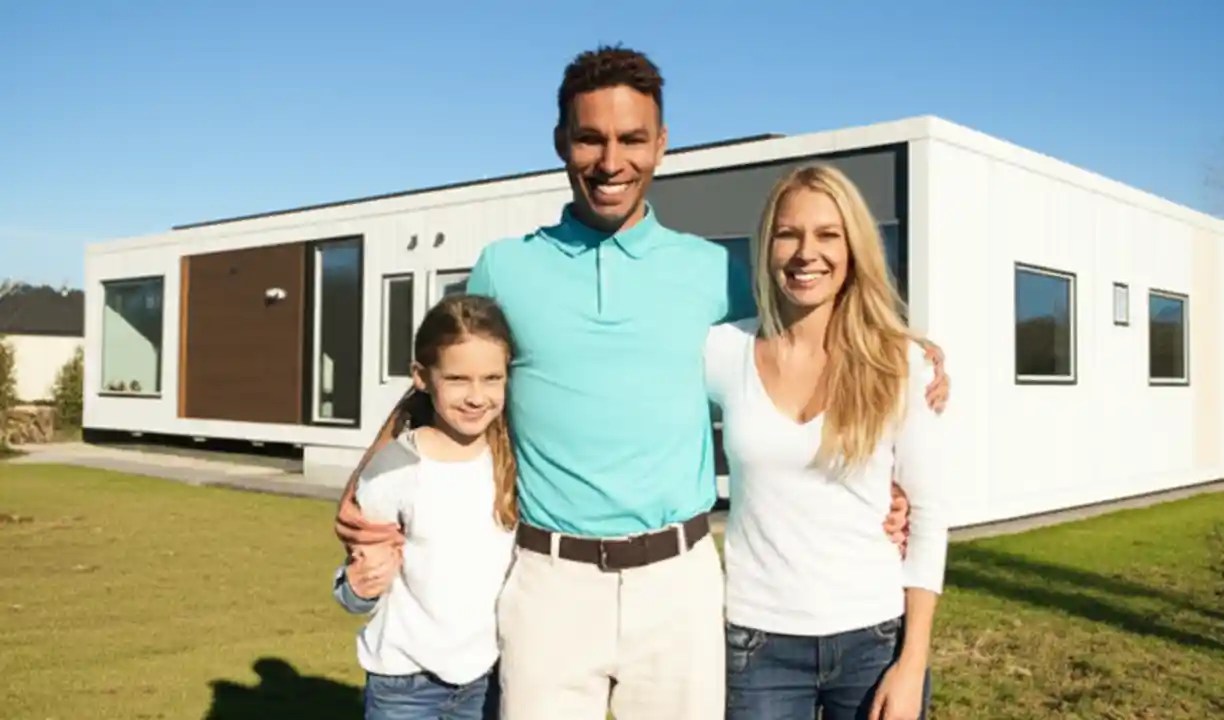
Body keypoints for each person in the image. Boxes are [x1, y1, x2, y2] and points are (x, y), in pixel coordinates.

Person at [335, 46, 950, 719]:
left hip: (678, 586)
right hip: (549, 584)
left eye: (632, 139)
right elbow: (439, 384)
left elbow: (808, 315)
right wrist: (365, 482)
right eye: (590, 138)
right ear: (561, 142)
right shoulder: (504, 269)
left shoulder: (712, 272)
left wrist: (907, 351)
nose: (611, 161)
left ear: (661, 144)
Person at [707, 164, 948, 720]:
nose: (805, 253)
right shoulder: (722, 351)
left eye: (827, 235)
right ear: (767, 248)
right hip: (757, 645)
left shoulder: (899, 364)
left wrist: (912, 663)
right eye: (788, 234)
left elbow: (930, 516)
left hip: (874, 641)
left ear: (853, 248)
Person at [331, 295, 517, 720]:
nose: (476, 397)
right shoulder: (392, 469)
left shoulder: (514, 462)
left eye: (492, 378)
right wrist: (357, 587)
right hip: (404, 686)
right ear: (421, 377)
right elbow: (355, 583)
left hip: (489, 679)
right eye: (457, 379)